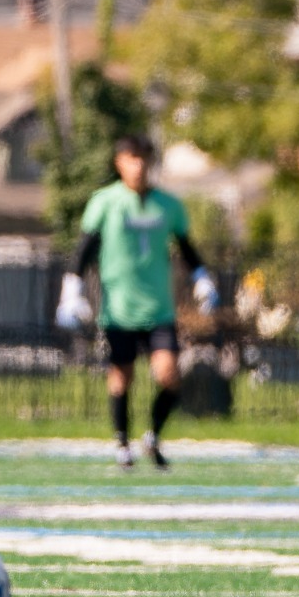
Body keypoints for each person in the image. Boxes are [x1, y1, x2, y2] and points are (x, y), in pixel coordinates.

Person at [56, 135, 219, 470]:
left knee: (169, 374)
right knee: (121, 376)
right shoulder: (104, 201)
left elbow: (186, 247)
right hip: (118, 310)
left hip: (158, 309)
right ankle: (122, 444)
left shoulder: (168, 205)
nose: (139, 165)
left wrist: (202, 278)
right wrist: (72, 289)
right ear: (120, 162)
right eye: (132, 158)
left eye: (144, 158)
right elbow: (85, 248)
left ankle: (153, 437)